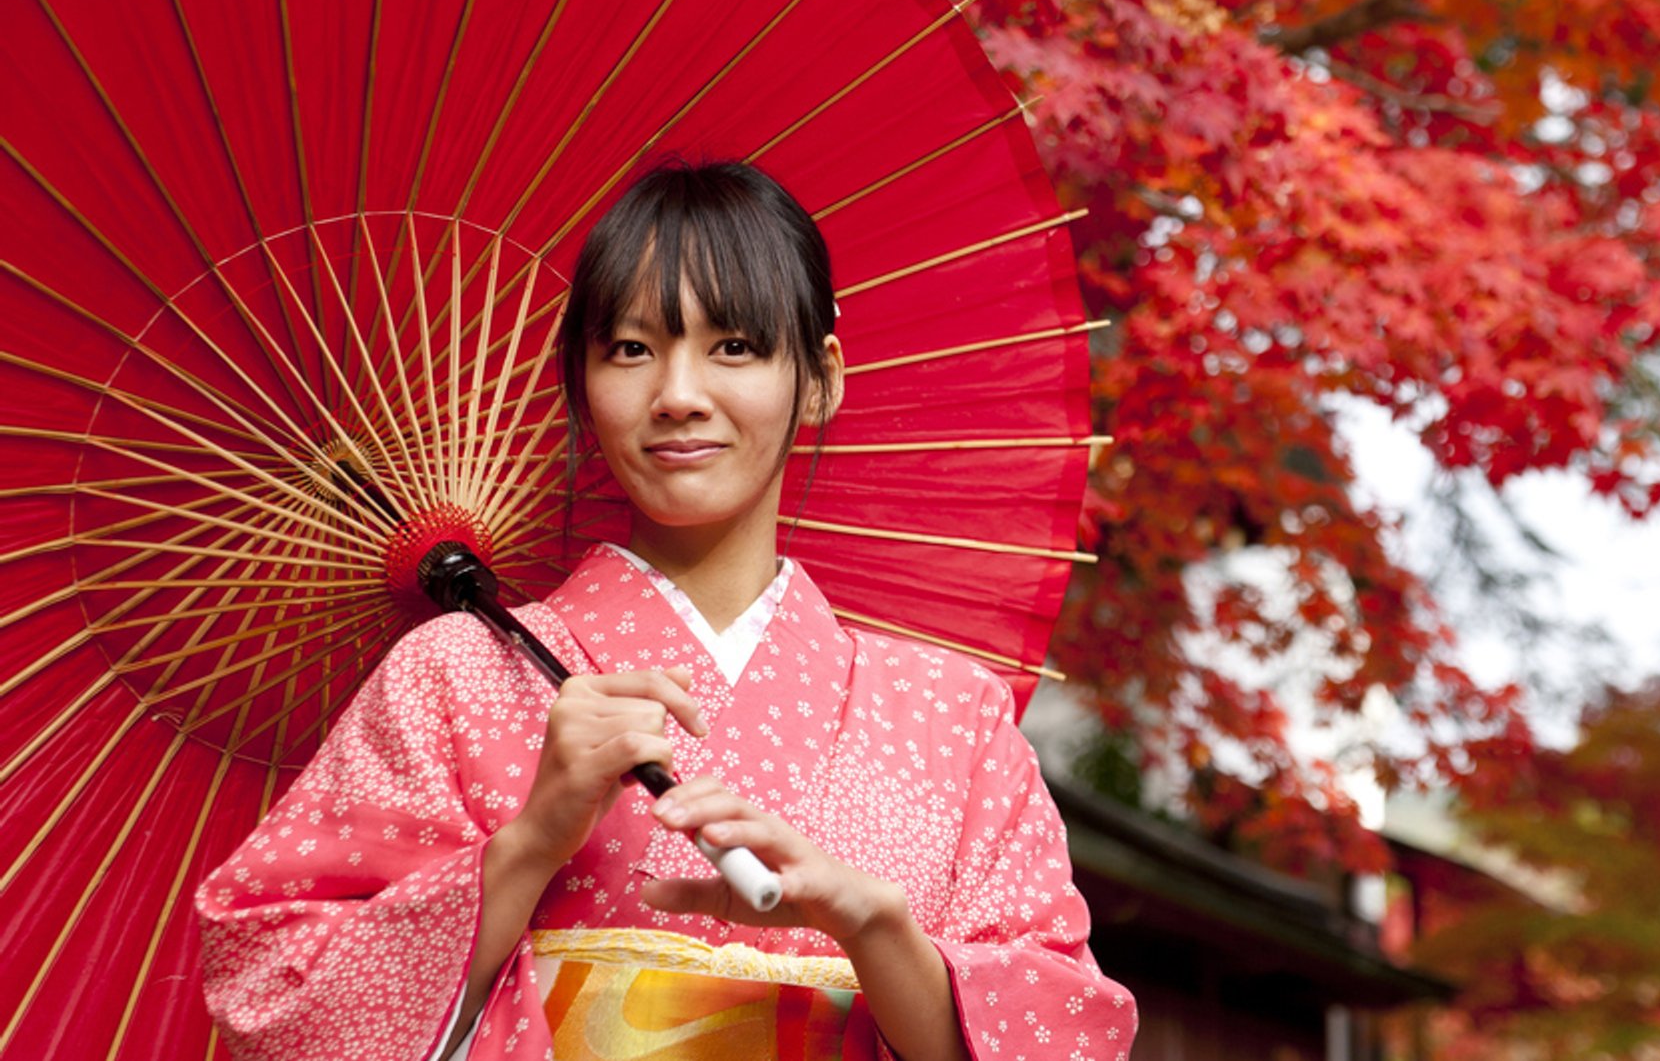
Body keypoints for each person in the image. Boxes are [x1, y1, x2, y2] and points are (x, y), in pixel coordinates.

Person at [195, 162, 1137, 1061]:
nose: (679, 397)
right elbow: (279, 1004)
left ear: (821, 379)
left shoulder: (952, 716)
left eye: (734, 346)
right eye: (632, 350)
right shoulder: (457, 673)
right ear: (582, 385)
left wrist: (876, 928)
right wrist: (531, 842)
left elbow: (1067, 1028)